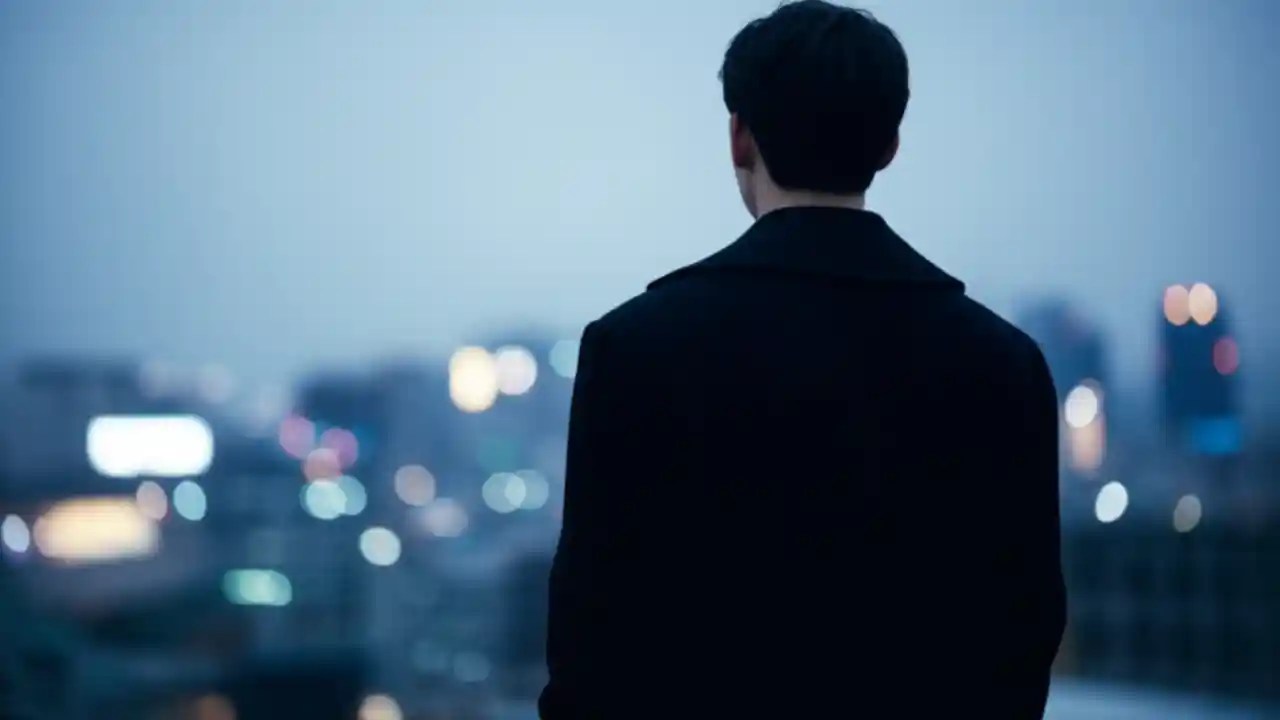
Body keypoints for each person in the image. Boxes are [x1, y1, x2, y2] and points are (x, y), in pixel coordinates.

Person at [539, 1, 1066, 717]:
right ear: (889, 144)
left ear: (739, 137)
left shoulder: (635, 349)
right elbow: (1023, 630)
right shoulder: (1005, 364)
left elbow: (590, 645)